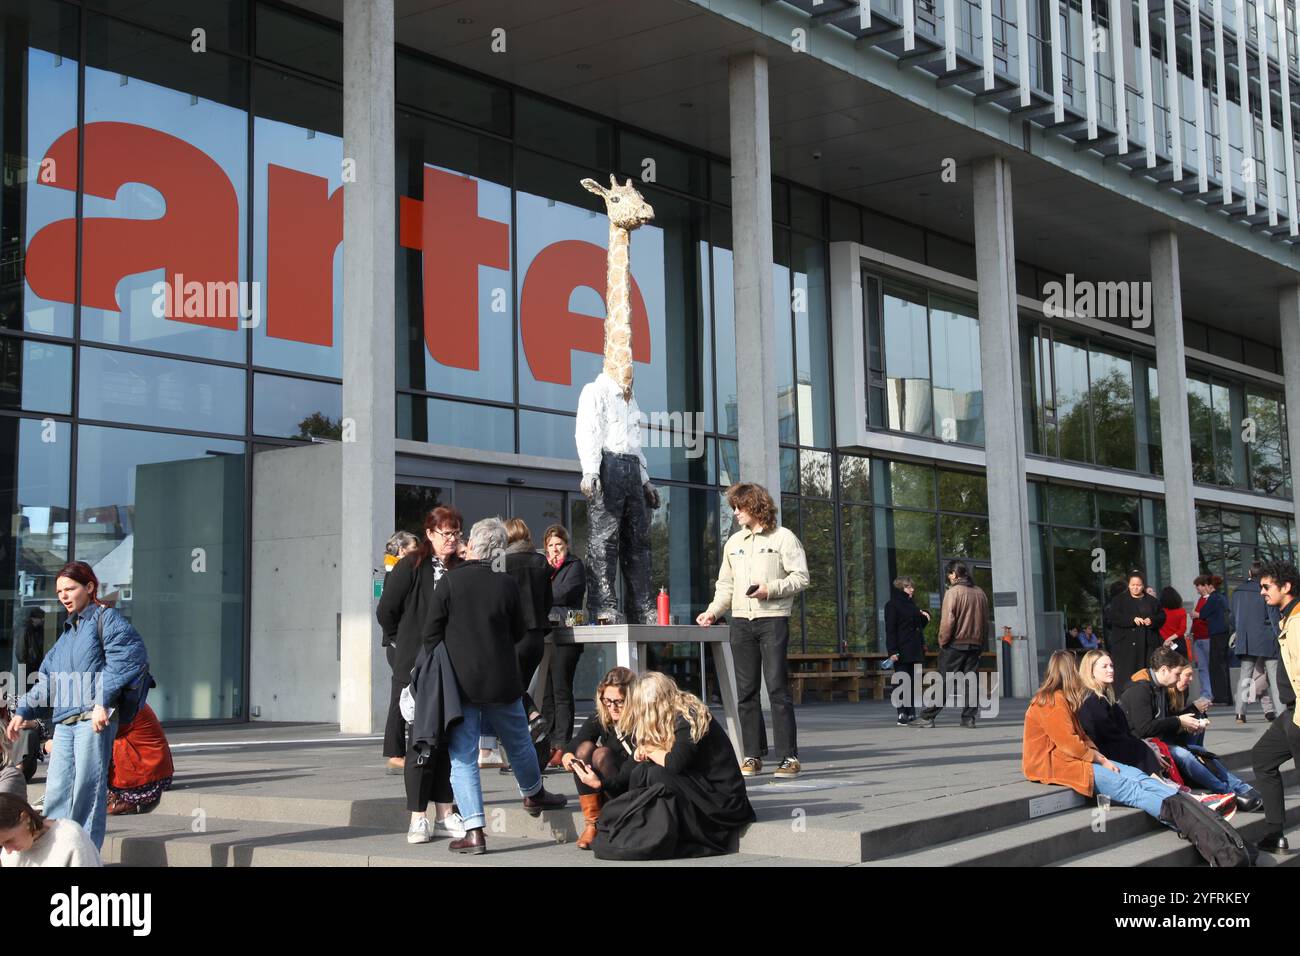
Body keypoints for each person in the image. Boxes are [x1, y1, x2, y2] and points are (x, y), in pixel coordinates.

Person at [424, 517, 567, 854]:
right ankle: (533, 793)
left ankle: (474, 830)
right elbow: (518, 631)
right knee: (519, 741)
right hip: (503, 678)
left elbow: (430, 634)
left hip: (461, 684)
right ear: (500, 549)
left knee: (463, 756)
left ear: (471, 545)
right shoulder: (505, 585)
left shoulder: (449, 583)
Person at [4, 561, 147, 851]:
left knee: (87, 791)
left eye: (70, 588)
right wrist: (23, 711)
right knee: (56, 792)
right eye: (59, 591)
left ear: (90, 587)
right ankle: (54, 853)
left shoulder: (107, 619)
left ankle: (85, 854)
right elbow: (48, 680)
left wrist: (102, 703)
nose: (64, 596)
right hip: (66, 721)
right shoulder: (69, 633)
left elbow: (127, 660)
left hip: (93, 718)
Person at [697, 482, 809, 778]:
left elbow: (801, 578)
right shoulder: (733, 544)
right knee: (745, 692)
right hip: (740, 623)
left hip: (773, 620)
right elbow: (726, 585)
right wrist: (712, 612)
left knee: (777, 688)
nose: (734, 513)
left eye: (739, 507)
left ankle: (788, 758)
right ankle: (752, 755)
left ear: (755, 506)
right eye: (732, 507)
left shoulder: (784, 538)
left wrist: (769, 589)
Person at [590, 672, 755, 860]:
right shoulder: (667, 718)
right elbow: (629, 772)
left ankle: (687, 833)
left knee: (657, 774)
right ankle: (641, 824)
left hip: (724, 800)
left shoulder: (688, 716)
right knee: (643, 771)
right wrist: (602, 785)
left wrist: (649, 750)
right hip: (701, 787)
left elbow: (676, 763)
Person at [377, 508, 465, 842]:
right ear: (429, 533)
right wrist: (403, 640)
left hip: (450, 664)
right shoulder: (411, 565)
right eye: (445, 533)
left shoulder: (460, 567)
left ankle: (445, 810)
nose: (452, 539)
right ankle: (418, 817)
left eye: (456, 532)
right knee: (420, 742)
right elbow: (386, 609)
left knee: (446, 740)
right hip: (414, 665)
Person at [1023, 650, 1182, 823]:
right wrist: (1100, 759)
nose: (1078, 676)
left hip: (1072, 759)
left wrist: (1098, 757)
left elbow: (1081, 738)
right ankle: (1181, 816)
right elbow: (1070, 743)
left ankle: (1186, 805)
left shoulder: (1062, 699)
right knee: (1131, 788)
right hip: (1054, 764)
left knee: (1137, 777)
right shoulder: (1051, 701)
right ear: (1070, 672)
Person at [1155, 661, 1264, 812]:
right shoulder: (1163, 693)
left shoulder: (1180, 692)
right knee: (1189, 753)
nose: (1190, 679)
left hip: (1174, 741)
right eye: (1186, 675)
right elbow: (1163, 728)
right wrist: (1191, 715)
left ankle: (1242, 788)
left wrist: (1194, 723)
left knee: (1201, 749)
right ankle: (1229, 792)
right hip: (1161, 745)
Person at [1250, 561, 1300, 853]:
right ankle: (1275, 834)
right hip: (1291, 713)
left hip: (1298, 716)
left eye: (1266, 586)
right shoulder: (1287, 619)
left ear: (1286, 587)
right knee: (1263, 757)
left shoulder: (1298, 622)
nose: (1261, 592)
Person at [561, 666, 636, 849]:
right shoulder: (602, 715)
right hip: (605, 783)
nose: (612, 707)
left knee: (601, 753)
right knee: (584, 749)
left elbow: (634, 768)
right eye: (606, 700)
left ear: (632, 699)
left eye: (619, 701)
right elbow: (575, 744)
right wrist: (568, 757)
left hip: (631, 781)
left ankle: (618, 816)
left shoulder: (641, 719)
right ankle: (592, 823)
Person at [914, 560, 989, 729]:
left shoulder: (953, 592)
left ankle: (928, 716)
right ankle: (968, 718)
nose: (948, 578)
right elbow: (985, 623)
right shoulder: (980, 593)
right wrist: (982, 644)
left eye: (949, 574)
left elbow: (948, 621)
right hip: (975, 643)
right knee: (971, 682)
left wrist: (943, 641)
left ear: (954, 574)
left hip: (956, 643)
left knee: (943, 680)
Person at [1074, 650, 1165, 778]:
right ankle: (1163, 785)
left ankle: (1163, 783)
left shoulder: (1106, 698)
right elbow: (1108, 735)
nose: (1110, 670)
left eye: (1111, 666)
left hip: (1114, 749)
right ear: (1091, 671)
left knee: (1146, 748)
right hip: (1103, 754)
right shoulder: (1092, 700)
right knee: (1140, 749)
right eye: (1104, 667)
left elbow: (1121, 732)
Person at [376, 530, 423, 772]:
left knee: (403, 693)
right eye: (414, 548)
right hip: (399, 645)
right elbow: (386, 611)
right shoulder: (396, 573)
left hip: (400, 643)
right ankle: (395, 752)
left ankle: (398, 750)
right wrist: (396, 637)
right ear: (403, 550)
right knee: (400, 694)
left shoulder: (401, 572)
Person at [541, 524, 587, 768]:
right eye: (550, 546)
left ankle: (562, 744)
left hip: (567, 634)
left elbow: (562, 594)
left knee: (561, 689)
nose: (555, 550)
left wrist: (541, 593)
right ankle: (547, 742)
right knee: (546, 691)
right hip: (547, 634)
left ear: (566, 546)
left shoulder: (574, 567)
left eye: (559, 545)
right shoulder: (545, 569)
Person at [1230, 562, 1282, 724]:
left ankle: (1240, 713)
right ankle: (1281, 713)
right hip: (1266, 638)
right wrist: (1280, 635)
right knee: (1274, 678)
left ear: (1249, 573)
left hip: (1246, 638)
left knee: (1245, 676)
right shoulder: (1265, 591)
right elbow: (1273, 616)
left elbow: (1232, 617)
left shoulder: (1237, 592)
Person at [1102, 570, 1165, 694]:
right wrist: (1131, 620)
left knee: (1146, 674)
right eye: (1133, 585)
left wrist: (1151, 620)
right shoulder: (1119, 600)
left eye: (1139, 585)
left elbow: (1162, 616)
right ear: (1128, 585)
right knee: (1126, 675)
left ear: (1143, 585)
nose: (1135, 588)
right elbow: (1113, 617)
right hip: (1125, 647)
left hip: (1147, 646)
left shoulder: (1152, 601)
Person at [106, 703, 173, 815]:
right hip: (155, 770)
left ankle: (127, 801)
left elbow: (107, 731)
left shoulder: (125, 706)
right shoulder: (132, 699)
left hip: (146, 775)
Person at [0, 794, 101, 867]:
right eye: (2, 845)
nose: (8, 851)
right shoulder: (10, 855)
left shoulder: (69, 837)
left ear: (25, 818)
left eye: (9, 841)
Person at [884, 577, 930, 725]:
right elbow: (890, 630)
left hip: (915, 649)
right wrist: (892, 651)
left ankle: (911, 712)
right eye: (908, 587)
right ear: (901, 588)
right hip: (902, 649)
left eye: (912, 587)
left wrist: (925, 618)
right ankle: (902, 712)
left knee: (914, 682)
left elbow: (918, 626)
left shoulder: (912, 605)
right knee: (902, 681)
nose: (912, 589)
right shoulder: (892, 605)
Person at [1191, 574, 1231, 704]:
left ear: (1208, 586)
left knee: (1215, 666)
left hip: (1212, 635)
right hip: (1214, 635)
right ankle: (1217, 694)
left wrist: (1197, 615)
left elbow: (1203, 614)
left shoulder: (1213, 599)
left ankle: (1218, 695)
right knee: (1213, 666)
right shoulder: (1220, 598)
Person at [1157, 586, 1190, 659]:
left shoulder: (1160, 612)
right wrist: (1171, 639)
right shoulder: (1182, 611)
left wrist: (1167, 640)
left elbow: (1159, 628)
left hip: (1163, 642)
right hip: (1179, 642)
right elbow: (1182, 629)